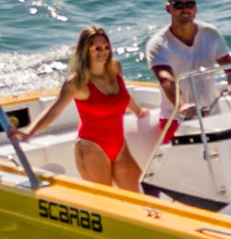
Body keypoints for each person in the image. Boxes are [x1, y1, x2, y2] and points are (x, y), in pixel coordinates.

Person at [12, 25, 149, 191]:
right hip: (91, 147)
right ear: (86, 50)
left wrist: (139, 112)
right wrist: (29, 131)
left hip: (120, 146)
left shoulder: (116, 68)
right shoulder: (77, 82)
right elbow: (54, 110)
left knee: (139, 196)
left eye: (106, 47)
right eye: (97, 48)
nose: (103, 52)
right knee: (103, 200)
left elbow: (123, 97)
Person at [147, 0, 231, 135]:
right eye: (178, 5)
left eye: (190, 4)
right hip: (176, 118)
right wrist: (183, 105)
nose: (185, 9)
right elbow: (166, 79)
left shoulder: (211, 33)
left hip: (212, 113)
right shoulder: (158, 44)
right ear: (168, 8)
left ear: (196, 7)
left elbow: (229, 65)